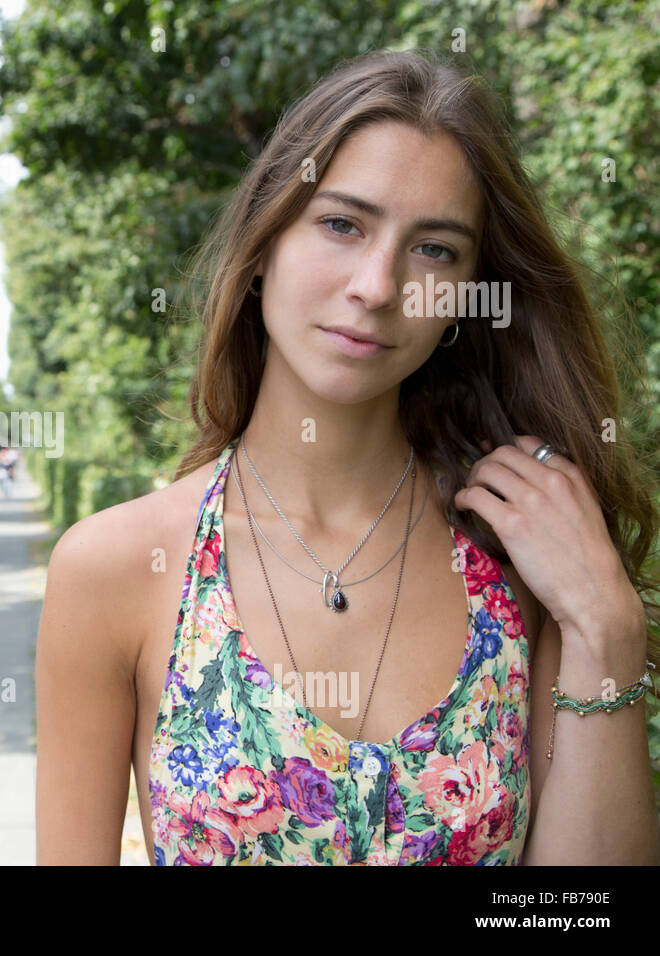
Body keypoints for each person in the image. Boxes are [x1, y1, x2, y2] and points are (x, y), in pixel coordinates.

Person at [34, 49, 660, 866]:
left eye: (434, 249)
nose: (376, 284)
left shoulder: (526, 552)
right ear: (265, 244)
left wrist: (606, 628)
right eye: (341, 224)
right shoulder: (118, 568)